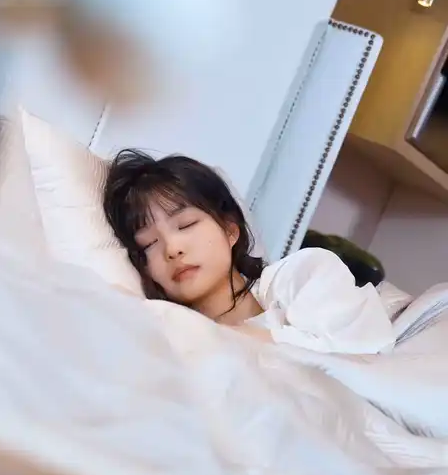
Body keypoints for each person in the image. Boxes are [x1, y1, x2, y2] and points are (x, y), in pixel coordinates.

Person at [103, 149, 396, 355]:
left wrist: (248, 338)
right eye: (149, 244)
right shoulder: (170, 340)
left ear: (231, 231)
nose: (172, 249)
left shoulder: (303, 277)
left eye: (186, 224)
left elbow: (365, 357)